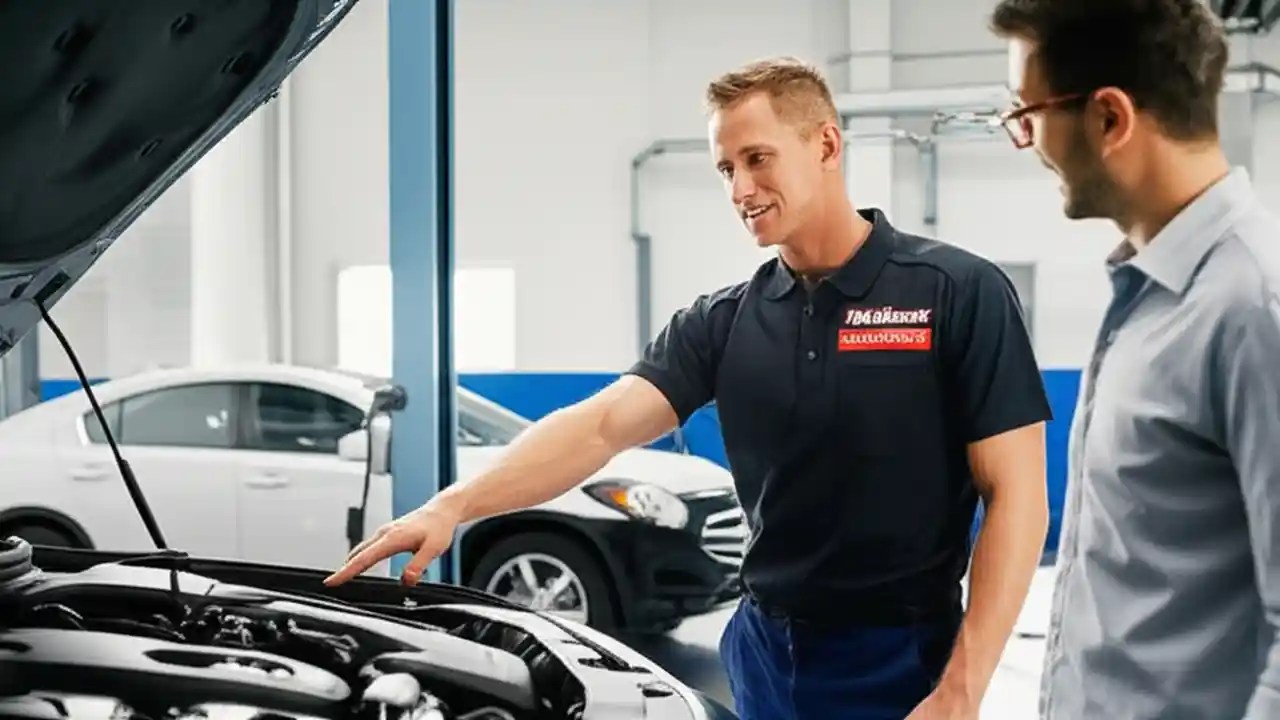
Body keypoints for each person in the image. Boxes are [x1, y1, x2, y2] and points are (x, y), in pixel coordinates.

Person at [326, 56, 1053, 719]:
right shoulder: (725, 320)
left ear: (827, 147)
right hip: (763, 648)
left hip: (900, 658)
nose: (740, 189)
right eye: (725, 168)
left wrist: (962, 687)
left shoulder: (955, 293)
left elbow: (1018, 496)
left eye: (758, 158)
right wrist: (456, 504)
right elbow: (602, 425)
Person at [989, 1, 1280, 718]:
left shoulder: (1251, 310)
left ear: (1110, 118)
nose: (1027, 143)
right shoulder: (1149, 296)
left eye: (1028, 116)